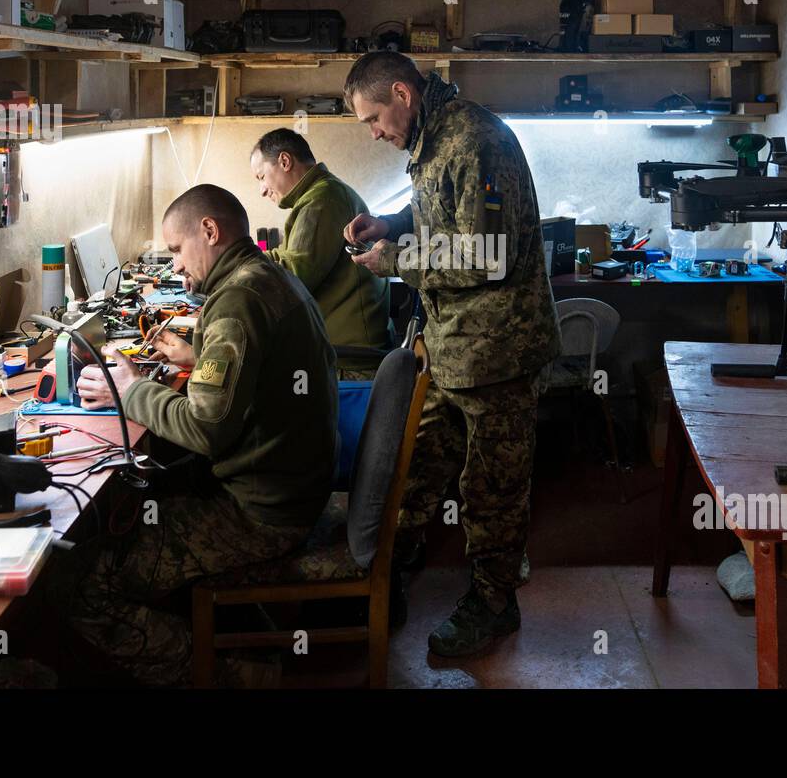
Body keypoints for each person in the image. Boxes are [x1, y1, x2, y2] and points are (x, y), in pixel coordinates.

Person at [67, 184, 338, 686]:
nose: (174, 267)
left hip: (263, 513)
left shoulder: (236, 299)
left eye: (175, 249)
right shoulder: (265, 276)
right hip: (294, 486)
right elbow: (265, 368)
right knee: (150, 495)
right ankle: (242, 644)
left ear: (209, 231)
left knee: (87, 583)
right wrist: (199, 357)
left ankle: (229, 673)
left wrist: (128, 390)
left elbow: (205, 428)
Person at [341, 51, 561, 657]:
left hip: (498, 350)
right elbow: (441, 211)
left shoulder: (476, 137)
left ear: (402, 94)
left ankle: (493, 604)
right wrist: (390, 223)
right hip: (448, 344)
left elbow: (485, 254)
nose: (375, 132)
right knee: (414, 468)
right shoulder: (434, 136)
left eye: (374, 118)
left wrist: (396, 264)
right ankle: (389, 581)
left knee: (491, 488)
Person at [250, 128, 394, 379]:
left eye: (262, 176)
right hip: (347, 349)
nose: (262, 190)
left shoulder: (323, 199)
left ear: (284, 161)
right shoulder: (322, 194)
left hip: (348, 361)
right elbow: (289, 257)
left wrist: (236, 259)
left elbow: (293, 275)